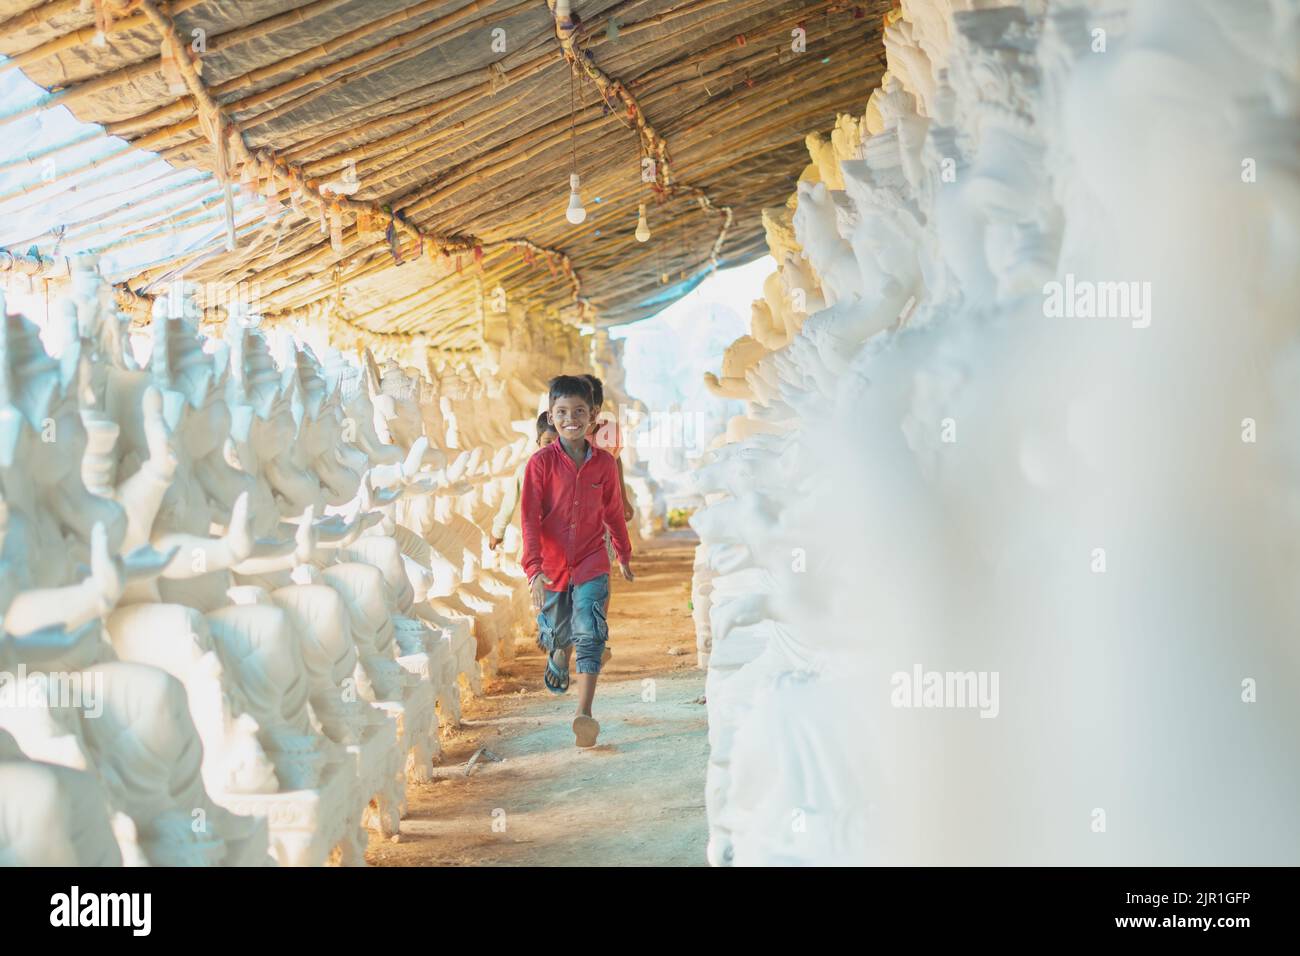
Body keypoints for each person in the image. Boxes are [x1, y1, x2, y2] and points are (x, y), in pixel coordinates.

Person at [521, 374, 634, 748]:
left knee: (590, 630)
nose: (572, 418)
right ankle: (556, 647)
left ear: (593, 415)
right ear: (551, 417)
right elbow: (530, 520)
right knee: (558, 629)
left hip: (591, 560)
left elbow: (614, 512)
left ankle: (583, 714)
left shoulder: (603, 464)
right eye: (562, 412)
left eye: (580, 411)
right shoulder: (539, 465)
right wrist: (534, 569)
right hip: (552, 566)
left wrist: (622, 552)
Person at [489, 412, 555, 551]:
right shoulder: (526, 469)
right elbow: (509, 502)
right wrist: (497, 531)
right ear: (538, 442)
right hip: (535, 536)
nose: (553, 448)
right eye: (547, 442)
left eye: (559, 442)